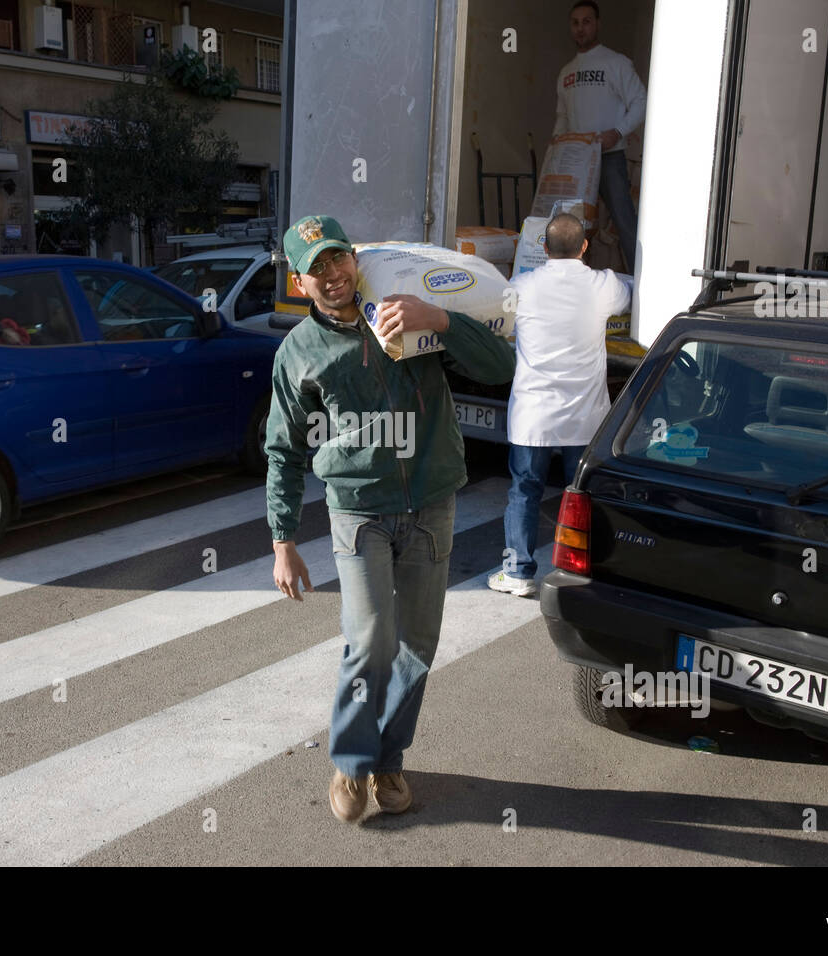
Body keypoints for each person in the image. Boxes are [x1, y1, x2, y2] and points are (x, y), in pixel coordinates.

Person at [266, 215, 515, 823]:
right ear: (300, 283)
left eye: (336, 260)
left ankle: (388, 759)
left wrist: (441, 320)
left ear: (354, 260)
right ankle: (351, 762)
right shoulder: (298, 353)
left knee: (417, 646)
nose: (331, 276)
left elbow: (500, 366)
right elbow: (283, 449)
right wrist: (282, 539)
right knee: (370, 640)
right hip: (359, 513)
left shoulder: (408, 316)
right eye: (315, 268)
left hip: (431, 502)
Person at [488, 213, 630, 597]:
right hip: (585, 418)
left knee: (524, 491)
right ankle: (588, 570)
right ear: (585, 247)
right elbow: (629, 295)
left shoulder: (522, 285)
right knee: (583, 494)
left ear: (544, 248)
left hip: (534, 415)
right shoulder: (603, 285)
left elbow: (499, 319)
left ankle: (518, 572)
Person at [553, 0, 647, 272]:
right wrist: (557, 141)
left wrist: (616, 132)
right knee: (572, 227)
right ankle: (574, 283)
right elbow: (563, 116)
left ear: (597, 24)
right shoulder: (566, 72)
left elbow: (640, 101)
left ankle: (641, 289)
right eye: (575, 23)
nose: (580, 28)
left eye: (586, 21)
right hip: (576, 165)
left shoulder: (615, 63)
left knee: (624, 223)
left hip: (609, 158)